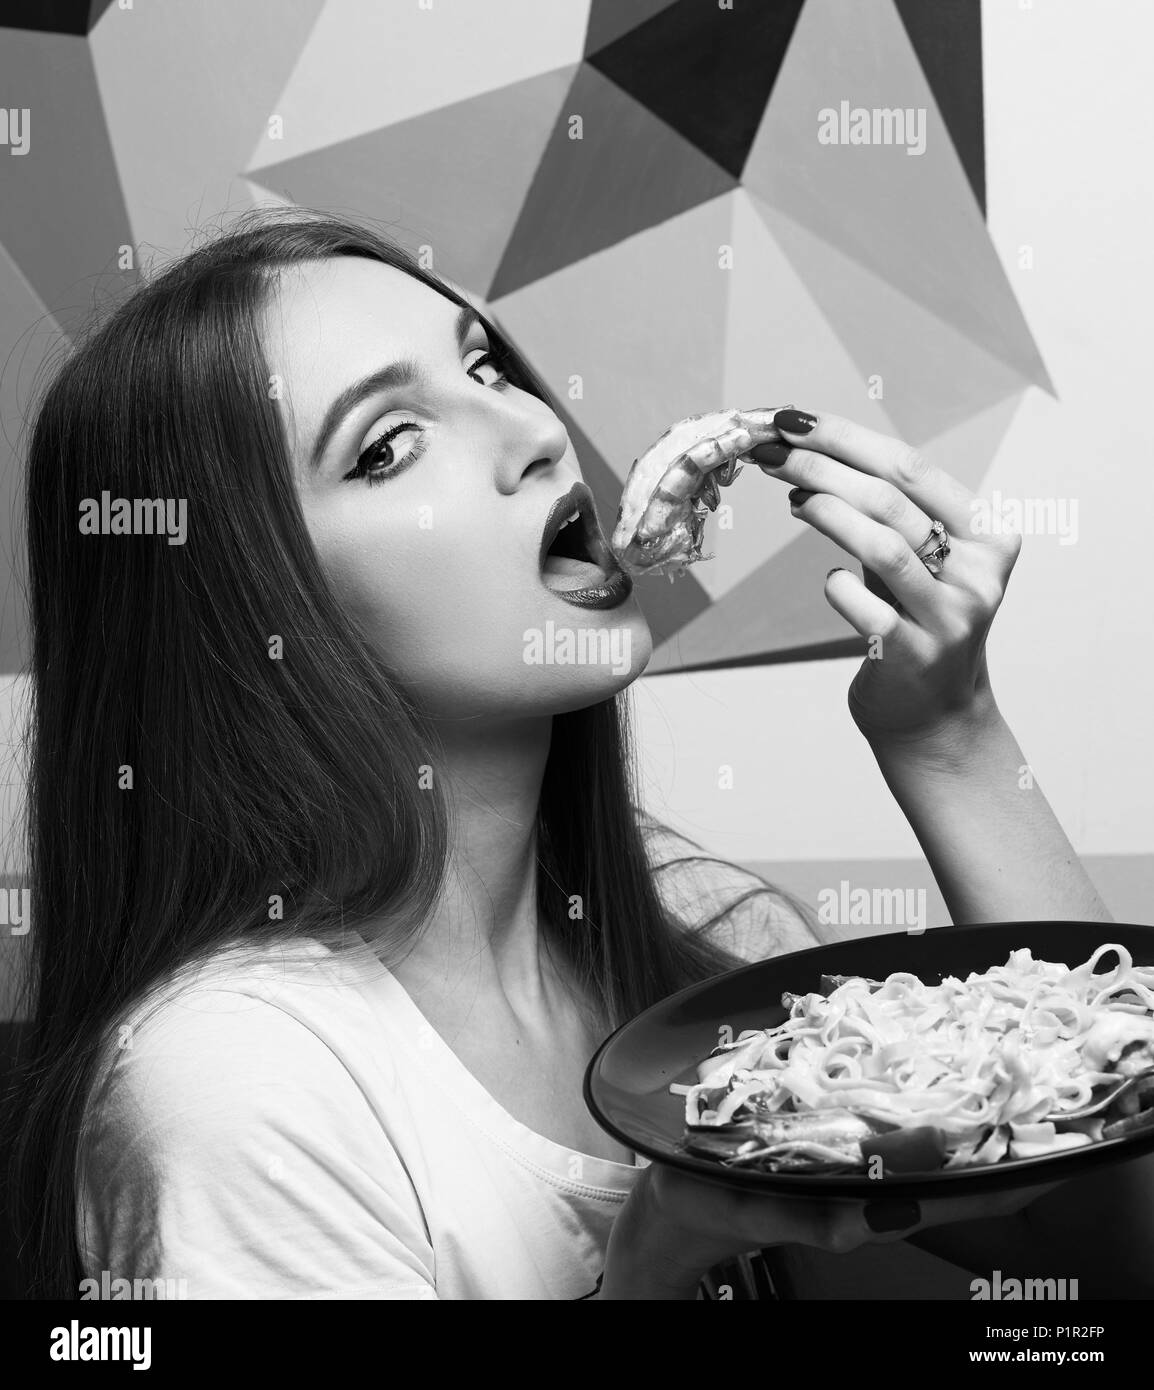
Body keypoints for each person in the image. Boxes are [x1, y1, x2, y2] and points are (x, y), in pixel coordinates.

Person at [5, 207, 1143, 1301]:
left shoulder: (699, 932)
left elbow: (1114, 1253)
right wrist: (648, 1266)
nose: (539, 429)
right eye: (389, 445)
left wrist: (949, 734)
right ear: (250, 614)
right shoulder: (238, 1084)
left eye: (486, 367)